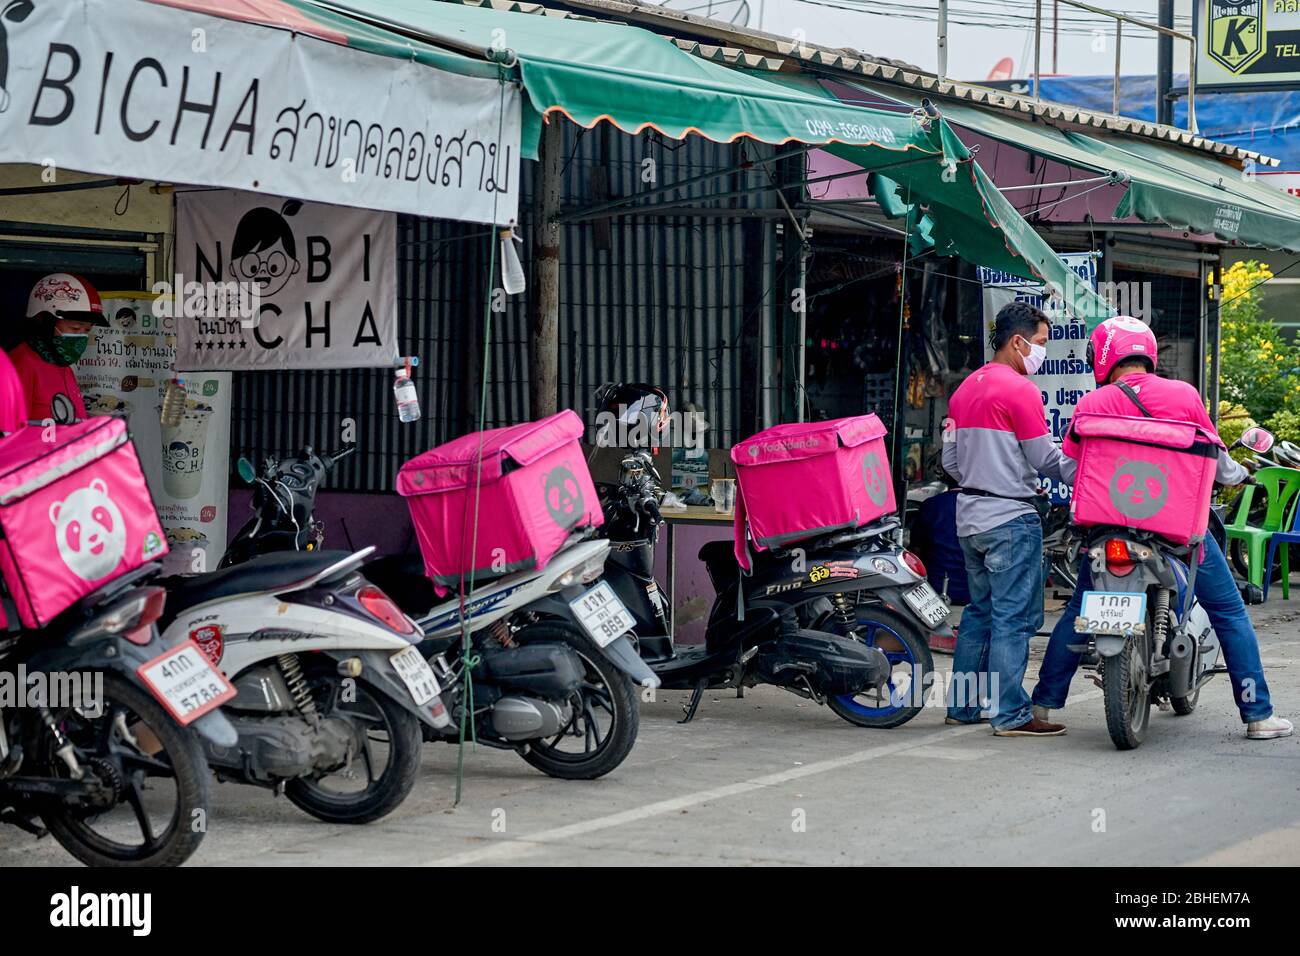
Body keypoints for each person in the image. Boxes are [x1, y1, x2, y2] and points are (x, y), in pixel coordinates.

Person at [1032, 315, 1292, 740]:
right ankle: (1258, 715)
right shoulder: (1184, 395)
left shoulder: (1091, 403)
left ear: (1103, 357)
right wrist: (1240, 476)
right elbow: (1218, 462)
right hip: (1177, 534)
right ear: (1148, 354)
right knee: (1229, 612)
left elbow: (1074, 467)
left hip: (1108, 532)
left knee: (1078, 610)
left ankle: (1042, 706)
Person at [942, 301, 1071, 736]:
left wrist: (985, 474)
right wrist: (1090, 471)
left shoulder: (962, 391)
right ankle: (1011, 714)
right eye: (1040, 343)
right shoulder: (1020, 390)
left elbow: (951, 463)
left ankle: (962, 707)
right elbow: (1045, 459)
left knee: (979, 612)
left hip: (969, 519)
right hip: (1010, 519)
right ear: (1017, 342)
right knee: (1013, 619)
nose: (1042, 352)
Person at [7, 273, 106, 423]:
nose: (81, 336)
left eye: (87, 330)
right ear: (45, 321)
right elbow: (10, 431)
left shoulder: (63, 366)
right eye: (75, 328)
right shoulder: (21, 364)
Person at [912, 472, 970, 606]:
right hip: (972, 592)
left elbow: (916, 550)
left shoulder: (931, 505)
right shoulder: (982, 508)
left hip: (933, 590)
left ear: (945, 477)